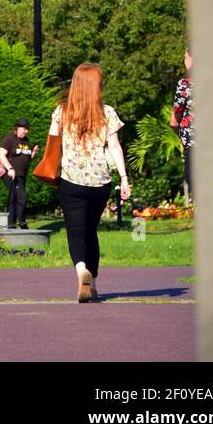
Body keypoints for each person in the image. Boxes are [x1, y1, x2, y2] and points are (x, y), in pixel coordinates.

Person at [49, 63, 131, 303]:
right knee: (90, 230)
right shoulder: (107, 113)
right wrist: (124, 178)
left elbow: (52, 145)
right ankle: (92, 282)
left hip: (70, 180)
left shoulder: (61, 112)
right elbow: (115, 148)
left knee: (75, 231)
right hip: (100, 182)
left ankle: (81, 270)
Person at [0, 118, 39, 228]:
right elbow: (1, 154)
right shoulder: (9, 138)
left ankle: (12, 224)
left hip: (21, 176)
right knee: (21, 197)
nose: (26, 131)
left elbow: (27, 159)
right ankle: (22, 223)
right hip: (9, 173)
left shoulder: (27, 141)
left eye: (27, 129)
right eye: (24, 129)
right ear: (17, 128)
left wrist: (33, 153)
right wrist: (10, 169)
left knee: (15, 197)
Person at [170, 48, 193, 202]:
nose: (184, 61)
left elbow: (174, 120)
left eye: (185, 57)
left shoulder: (185, 85)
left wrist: (181, 135)